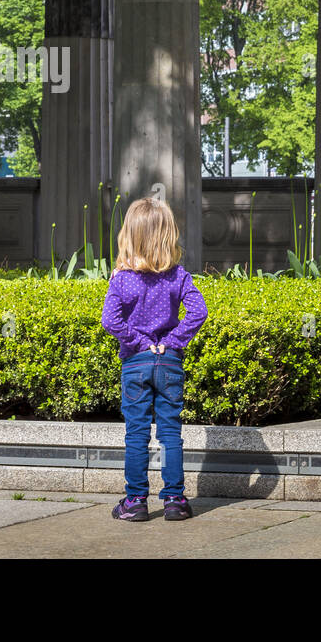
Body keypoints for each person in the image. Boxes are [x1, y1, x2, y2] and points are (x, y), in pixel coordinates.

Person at [102, 197, 209, 522]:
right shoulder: (178, 276)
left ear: (129, 235)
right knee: (170, 433)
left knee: (136, 433)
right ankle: (175, 500)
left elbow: (110, 320)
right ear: (168, 235)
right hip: (169, 363)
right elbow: (198, 312)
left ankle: (135, 501)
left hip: (136, 363)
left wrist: (140, 343)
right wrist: (171, 342)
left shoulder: (122, 278)